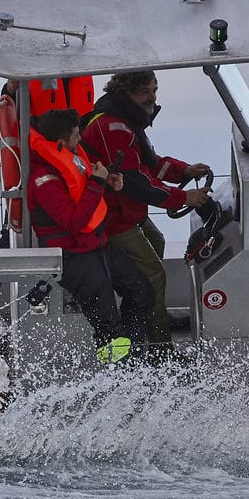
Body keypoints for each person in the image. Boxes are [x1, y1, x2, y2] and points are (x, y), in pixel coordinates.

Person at [80, 71, 212, 347]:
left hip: (129, 213)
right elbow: (136, 183)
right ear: (125, 92)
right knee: (153, 275)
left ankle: (153, 314)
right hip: (113, 218)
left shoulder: (129, 121)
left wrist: (183, 170)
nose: (152, 96)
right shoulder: (112, 127)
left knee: (157, 241)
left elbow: (149, 163)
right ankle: (159, 347)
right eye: (144, 91)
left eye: (154, 89)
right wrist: (183, 197)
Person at [26, 109, 153, 365]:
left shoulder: (72, 161)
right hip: (73, 256)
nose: (80, 140)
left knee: (141, 292)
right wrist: (96, 182)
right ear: (61, 142)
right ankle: (120, 377)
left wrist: (106, 183)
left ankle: (136, 355)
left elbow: (89, 203)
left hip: (96, 245)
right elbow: (73, 222)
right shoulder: (44, 180)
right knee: (108, 328)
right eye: (75, 136)